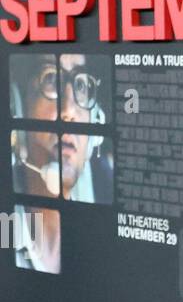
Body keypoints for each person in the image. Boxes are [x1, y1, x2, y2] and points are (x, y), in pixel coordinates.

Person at [10, 53, 112, 202]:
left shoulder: (105, 184)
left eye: (80, 85)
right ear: (18, 108)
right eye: (50, 79)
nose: (69, 111)